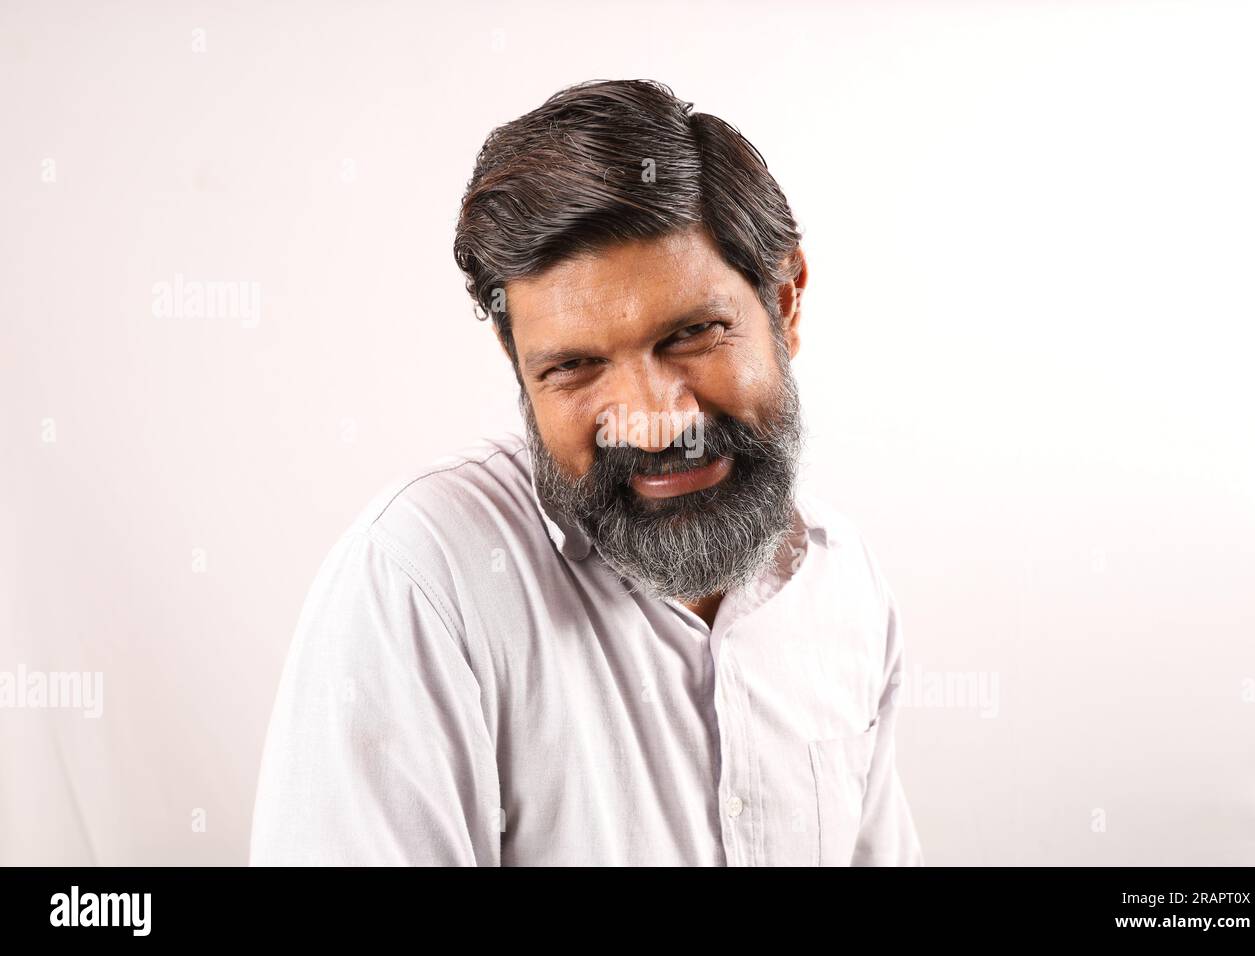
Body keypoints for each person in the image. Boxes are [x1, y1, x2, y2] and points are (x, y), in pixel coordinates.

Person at [249, 78, 923, 866]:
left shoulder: (843, 583)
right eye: (574, 366)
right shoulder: (420, 584)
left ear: (785, 299)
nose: (652, 419)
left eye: (693, 334)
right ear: (517, 363)